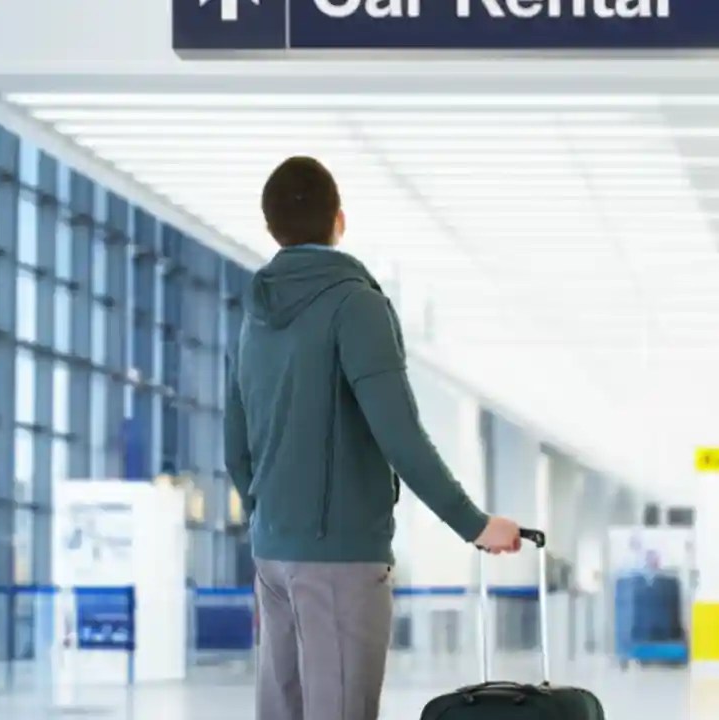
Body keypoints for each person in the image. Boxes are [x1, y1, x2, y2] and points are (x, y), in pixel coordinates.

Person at [224, 156, 523, 720]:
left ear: (270, 228)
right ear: (339, 219)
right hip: (340, 556)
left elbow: (234, 445)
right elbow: (398, 432)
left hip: (273, 556)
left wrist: (270, 517)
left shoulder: (253, 316)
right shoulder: (354, 304)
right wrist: (474, 524)